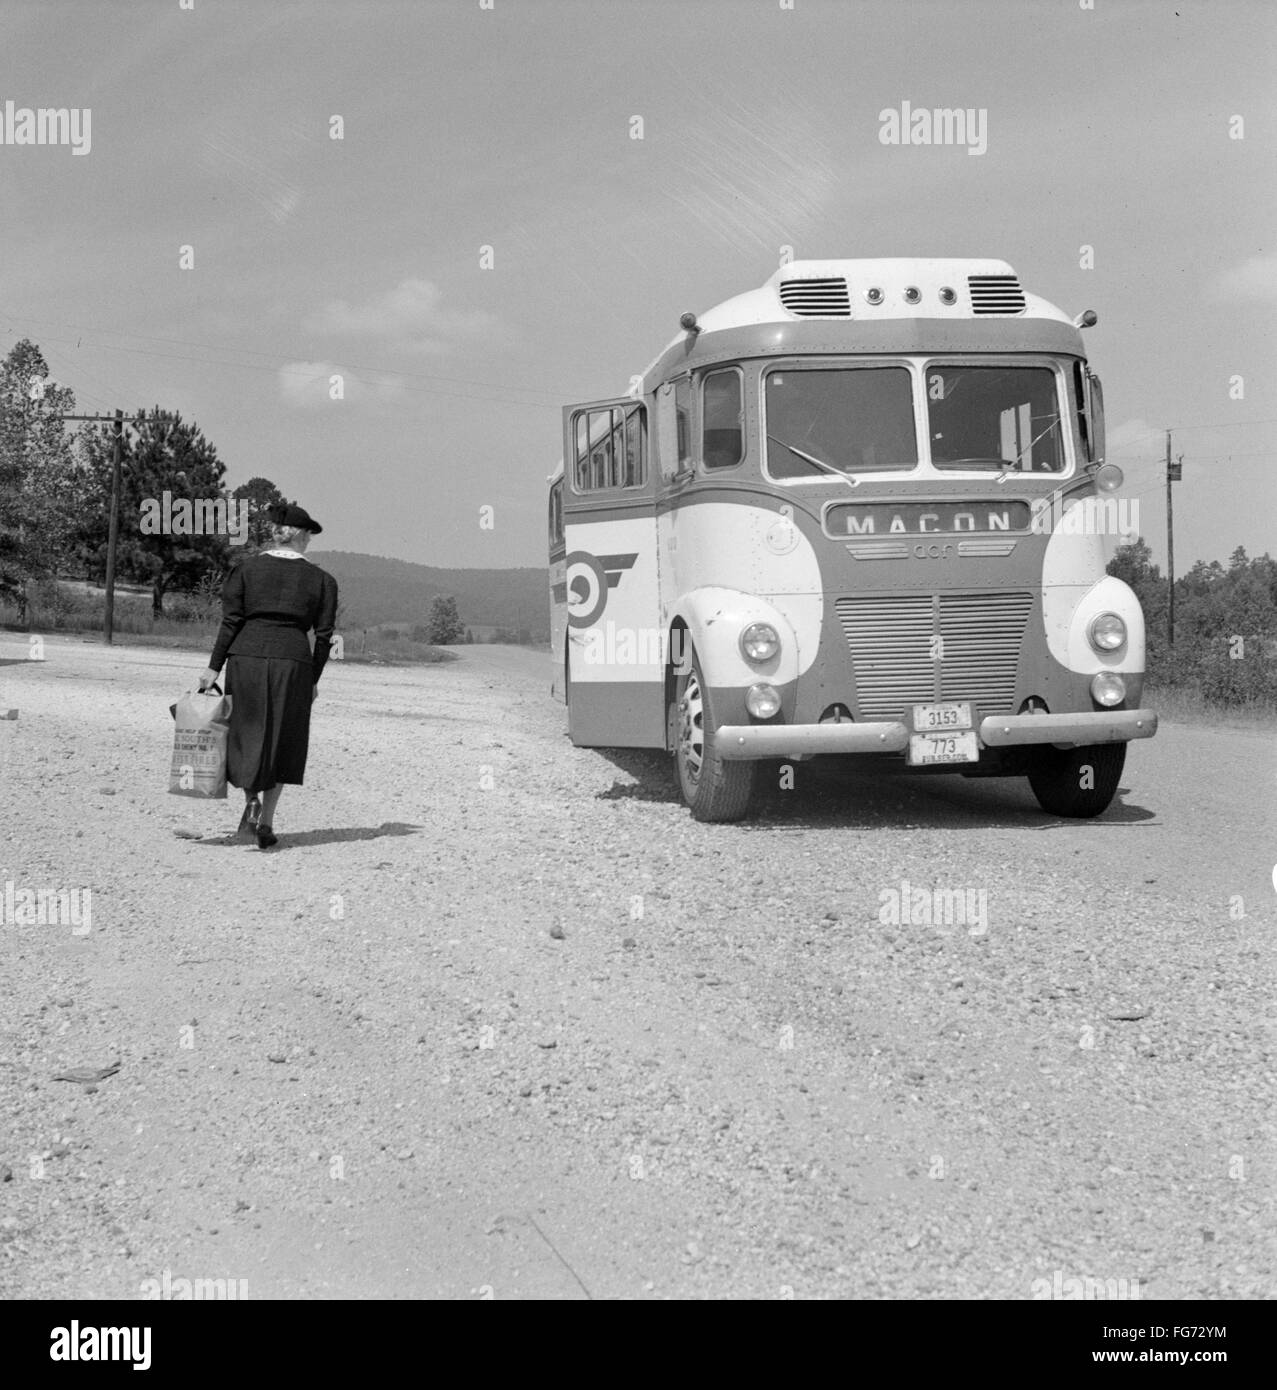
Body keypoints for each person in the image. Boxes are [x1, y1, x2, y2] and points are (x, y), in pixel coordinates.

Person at [198, 501, 338, 848]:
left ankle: (251, 804)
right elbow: (323, 637)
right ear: (301, 536)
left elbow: (231, 622)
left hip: (246, 657)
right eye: (309, 535)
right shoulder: (322, 581)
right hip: (293, 662)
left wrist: (213, 666)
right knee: (282, 739)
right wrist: (313, 679)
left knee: (246, 734)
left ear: (277, 535)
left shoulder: (245, 570)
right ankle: (268, 821)